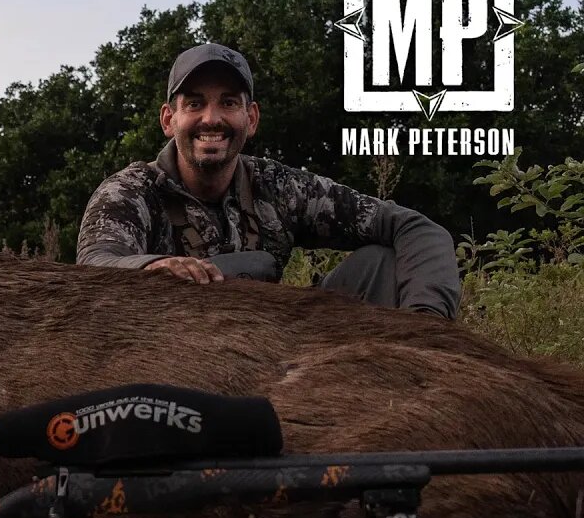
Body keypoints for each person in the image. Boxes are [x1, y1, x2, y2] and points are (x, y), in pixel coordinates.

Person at [76, 43, 460, 319]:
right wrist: (154, 267)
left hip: (273, 348)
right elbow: (95, 264)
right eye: (194, 103)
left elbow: (416, 229)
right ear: (168, 120)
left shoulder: (281, 187)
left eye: (228, 102)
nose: (212, 119)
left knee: (382, 261)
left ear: (251, 118)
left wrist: (426, 325)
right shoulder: (130, 191)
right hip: (172, 352)